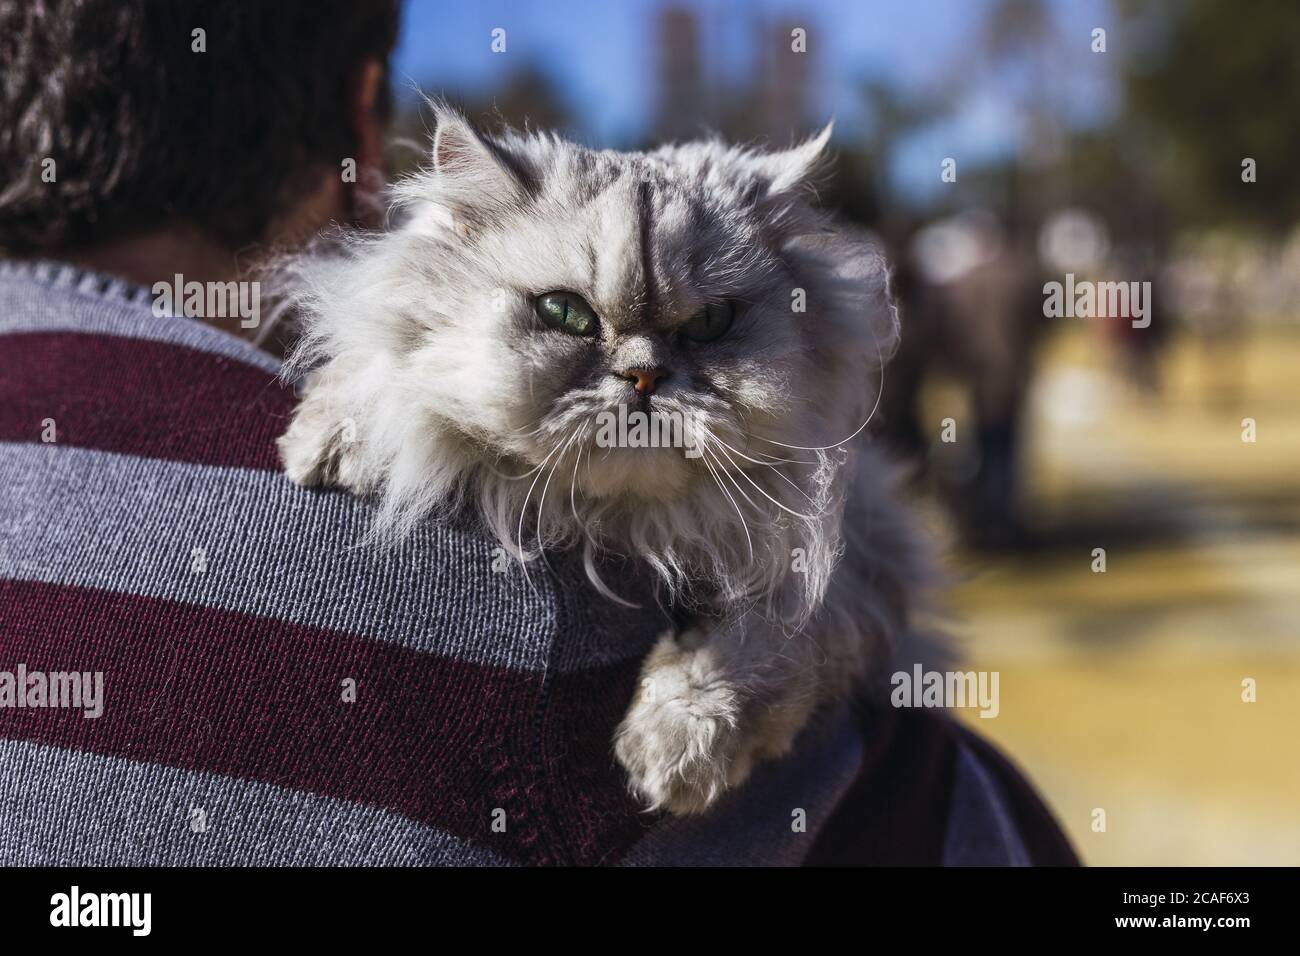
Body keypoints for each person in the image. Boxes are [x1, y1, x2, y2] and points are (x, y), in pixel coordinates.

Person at [0, 0, 1076, 866]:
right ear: (364, 127)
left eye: (705, 326)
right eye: (566, 317)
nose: (641, 369)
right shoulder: (553, 673)